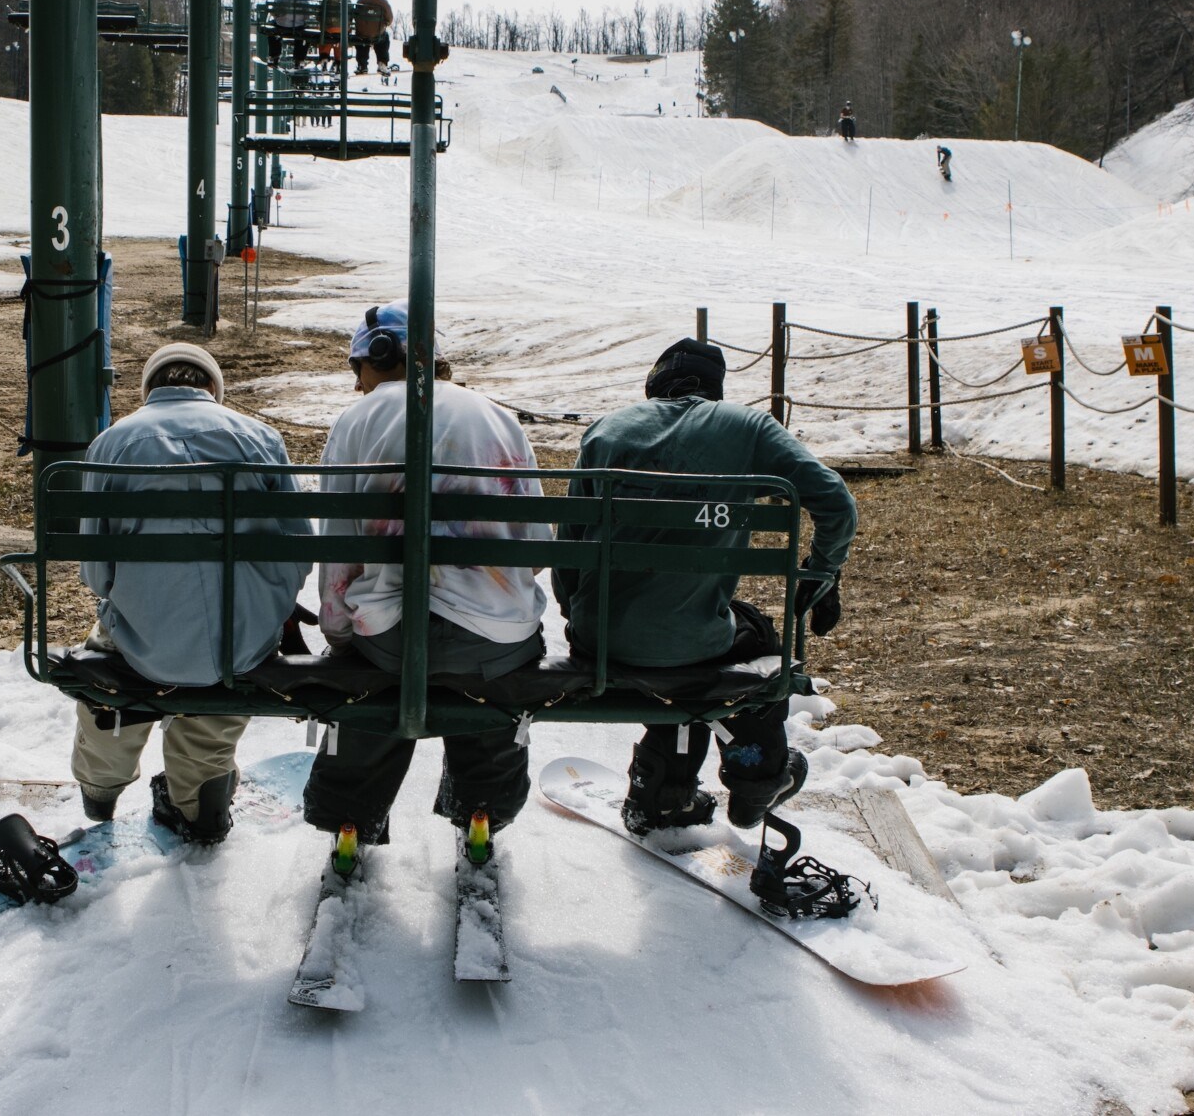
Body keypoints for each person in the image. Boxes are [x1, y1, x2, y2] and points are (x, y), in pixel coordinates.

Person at [553, 339, 857, 835]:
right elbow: (837, 505)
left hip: (599, 639)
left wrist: (578, 616)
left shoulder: (607, 430)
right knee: (750, 636)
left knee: (685, 648)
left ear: (654, 385)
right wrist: (823, 574)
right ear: (714, 389)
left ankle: (662, 791)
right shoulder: (747, 427)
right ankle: (758, 771)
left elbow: (569, 549)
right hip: (693, 645)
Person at [303, 302, 550, 849]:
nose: (357, 384)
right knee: (491, 685)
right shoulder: (496, 416)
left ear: (376, 359)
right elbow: (535, 553)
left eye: (356, 369)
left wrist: (342, 636)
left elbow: (339, 556)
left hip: (389, 641)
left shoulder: (357, 421)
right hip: (494, 645)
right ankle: (482, 809)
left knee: (374, 675)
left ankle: (350, 816)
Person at [72, 342, 313, 844]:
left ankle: (101, 786)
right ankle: (200, 799)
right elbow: (300, 547)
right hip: (243, 643)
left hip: (145, 642)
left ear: (150, 389)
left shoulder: (113, 441)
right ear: (213, 389)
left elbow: (97, 573)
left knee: (115, 650)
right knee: (222, 678)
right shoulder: (260, 437)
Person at [267, 0, 314, 65]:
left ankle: (274, 55)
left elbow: (274, 12)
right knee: (304, 35)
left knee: (271, 30)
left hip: (281, 26)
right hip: (298, 27)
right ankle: (299, 59)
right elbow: (307, 16)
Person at [351, 0, 393, 76]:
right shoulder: (384, 3)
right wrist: (385, 24)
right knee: (384, 38)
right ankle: (382, 63)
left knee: (362, 41)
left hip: (362, 33)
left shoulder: (361, 0)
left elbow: (355, 15)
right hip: (377, 34)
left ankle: (362, 65)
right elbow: (390, 19)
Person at [317, 0, 349, 66]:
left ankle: (324, 56)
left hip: (329, 29)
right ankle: (338, 61)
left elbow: (319, 16)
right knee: (340, 39)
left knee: (326, 37)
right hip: (343, 29)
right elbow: (350, 13)